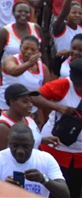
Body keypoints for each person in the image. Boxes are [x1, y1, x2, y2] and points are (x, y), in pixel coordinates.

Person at [35, 59, 82, 196]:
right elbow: (33, 96)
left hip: (79, 155)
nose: (79, 87)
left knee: (73, 192)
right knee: (50, 191)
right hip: (55, 149)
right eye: (77, 83)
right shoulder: (64, 85)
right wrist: (58, 107)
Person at [0, 123, 69, 198]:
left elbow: (65, 194)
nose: (20, 151)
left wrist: (43, 179)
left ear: (33, 143)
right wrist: (4, 188)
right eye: (15, 145)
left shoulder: (46, 159)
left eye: (25, 146)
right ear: (9, 143)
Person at [0, 84, 46, 157]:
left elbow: (26, 140)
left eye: (31, 101)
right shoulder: (3, 127)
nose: (30, 105)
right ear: (12, 102)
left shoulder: (27, 118)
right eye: (25, 102)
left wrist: (42, 140)